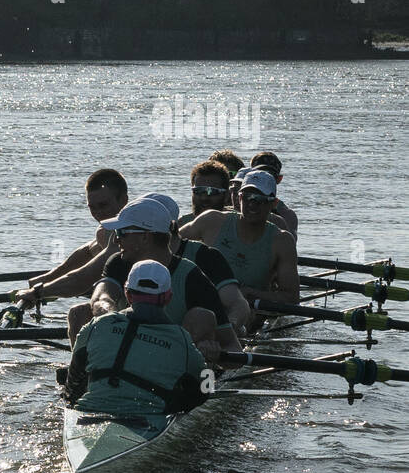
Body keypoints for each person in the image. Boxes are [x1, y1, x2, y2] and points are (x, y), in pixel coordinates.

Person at [89, 197, 242, 364]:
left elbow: (233, 347)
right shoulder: (119, 262)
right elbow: (100, 297)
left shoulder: (192, 276)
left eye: (121, 233)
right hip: (125, 345)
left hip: (171, 363)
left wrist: (215, 353)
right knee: (79, 313)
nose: (116, 240)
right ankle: (82, 383)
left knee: (201, 317)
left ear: (145, 238)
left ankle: (190, 380)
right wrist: (109, 313)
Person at [63, 260, 208, 417]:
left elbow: (73, 380)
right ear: (168, 297)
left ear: (128, 294)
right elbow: (206, 389)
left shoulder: (98, 324)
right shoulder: (182, 340)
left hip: (88, 411)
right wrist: (209, 363)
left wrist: (70, 404)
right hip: (148, 418)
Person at [179, 169, 300, 308]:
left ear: (273, 203)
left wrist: (250, 293)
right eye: (247, 197)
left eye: (260, 199)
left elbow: (291, 297)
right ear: (239, 197)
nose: (252, 204)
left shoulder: (282, 241)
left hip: (247, 312)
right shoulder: (211, 220)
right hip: (202, 304)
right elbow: (168, 244)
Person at [24, 168, 128, 293]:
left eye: (103, 205)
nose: (98, 213)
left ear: (123, 200)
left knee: (77, 312)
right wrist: (47, 278)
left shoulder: (129, 232)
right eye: (92, 207)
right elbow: (88, 251)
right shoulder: (106, 231)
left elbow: (81, 280)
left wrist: (37, 292)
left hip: (146, 305)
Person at [249, 152, 299, 238]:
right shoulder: (241, 202)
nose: (264, 180)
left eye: (269, 175)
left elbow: (289, 246)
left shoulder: (286, 215)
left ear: (279, 179)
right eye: (258, 174)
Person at [177, 159, 232, 228]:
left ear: (226, 195)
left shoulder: (237, 225)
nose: (204, 198)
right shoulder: (182, 223)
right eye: (198, 190)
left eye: (211, 191)